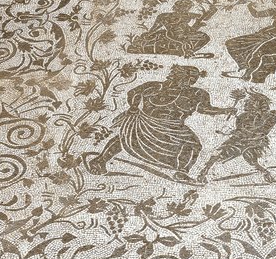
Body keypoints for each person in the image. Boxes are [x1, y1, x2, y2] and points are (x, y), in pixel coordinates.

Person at [85, 65, 233, 182]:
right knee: (126, 135)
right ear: (177, 76)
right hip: (146, 121)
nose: (189, 83)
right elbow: (133, 93)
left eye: (192, 81)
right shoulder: (154, 86)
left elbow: (205, 109)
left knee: (192, 145)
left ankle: (181, 172)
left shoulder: (197, 94)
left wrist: (224, 110)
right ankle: (100, 160)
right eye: (187, 79)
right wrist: (134, 108)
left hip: (175, 127)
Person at [196, 92, 276, 183]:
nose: (246, 104)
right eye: (247, 102)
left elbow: (262, 132)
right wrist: (229, 133)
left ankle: (265, 173)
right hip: (238, 139)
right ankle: (203, 173)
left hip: (255, 141)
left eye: (250, 103)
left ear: (258, 105)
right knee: (217, 154)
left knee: (250, 158)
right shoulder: (242, 116)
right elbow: (239, 130)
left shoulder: (270, 117)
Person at [127, 0, 215, 58]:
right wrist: (149, 34)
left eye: (187, 8)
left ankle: (187, 50)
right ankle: (185, 50)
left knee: (204, 37)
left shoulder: (188, 15)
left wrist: (212, 9)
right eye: (184, 8)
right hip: (172, 35)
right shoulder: (164, 16)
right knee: (180, 42)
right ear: (177, 7)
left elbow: (204, 17)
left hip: (187, 33)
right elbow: (155, 27)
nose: (185, 10)